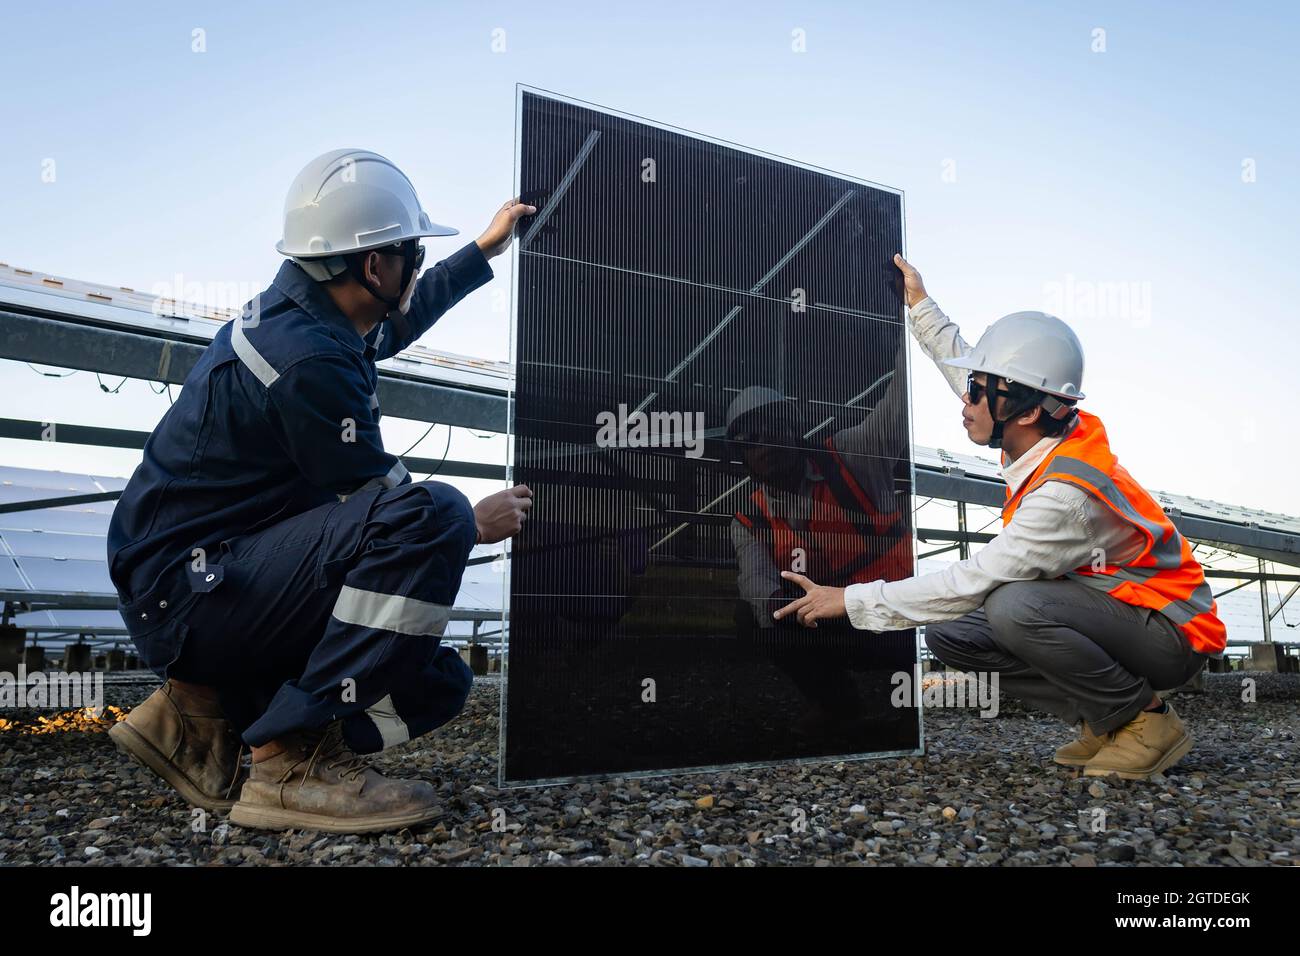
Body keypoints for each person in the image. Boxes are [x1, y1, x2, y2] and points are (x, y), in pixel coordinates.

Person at [107, 149, 535, 832]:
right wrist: (476, 525)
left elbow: (393, 322)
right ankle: (286, 763)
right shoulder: (307, 359)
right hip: (190, 593)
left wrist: (483, 250)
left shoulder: (310, 314)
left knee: (436, 683)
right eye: (413, 255)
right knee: (435, 515)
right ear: (373, 266)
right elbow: (392, 509)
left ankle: (198, 715)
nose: (418, 268)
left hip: (205, 579)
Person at [774, 254, 1226, 780]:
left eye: (978, 392)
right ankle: (1107, 719)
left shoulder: (1064, 495)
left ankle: (1147, 722)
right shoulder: (1035, 429)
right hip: (1115, 613)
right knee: (951, 633)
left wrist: (848, 600)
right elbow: (959, 360)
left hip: (1171, 633)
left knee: (1014, 605)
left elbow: (973, 580)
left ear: (1025, 409)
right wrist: (919, 303)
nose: (965, 400)